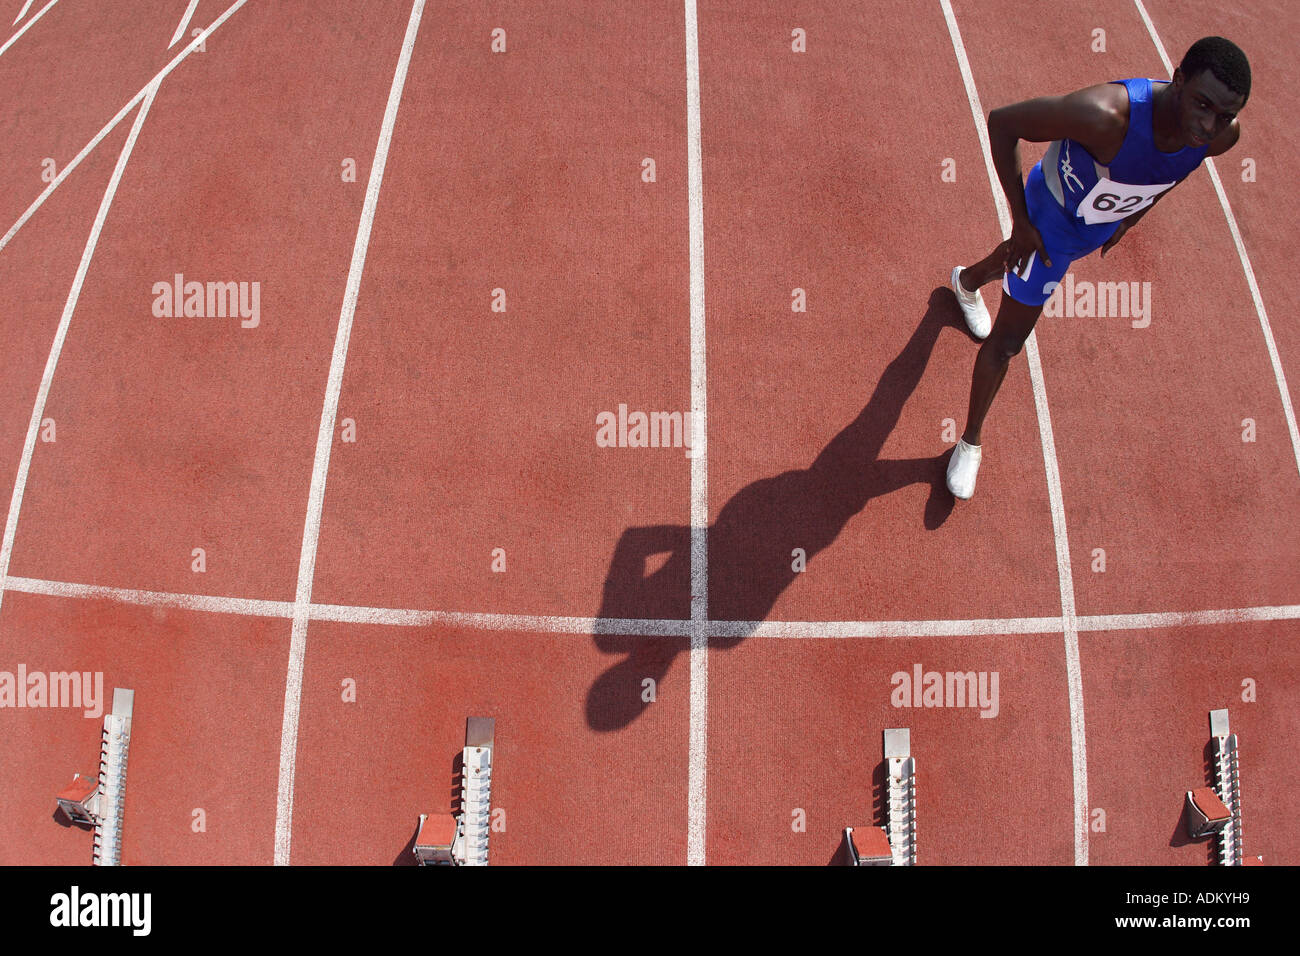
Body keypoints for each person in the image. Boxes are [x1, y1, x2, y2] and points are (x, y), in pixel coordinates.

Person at [947, 36, 1250, 499]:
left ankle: (966, 282)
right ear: (1179, 78)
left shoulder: (1218, 138)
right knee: (1007, 342)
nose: (1209, 125)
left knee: (1013, 263)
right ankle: (969, 442)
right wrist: (1023, 222)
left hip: (1091, 230)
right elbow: (1003, 123)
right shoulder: (1106, 114)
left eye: (1224, 115)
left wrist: (1130, 217)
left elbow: (1174, 173)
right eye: (1203, 105)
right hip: (1048, 224)